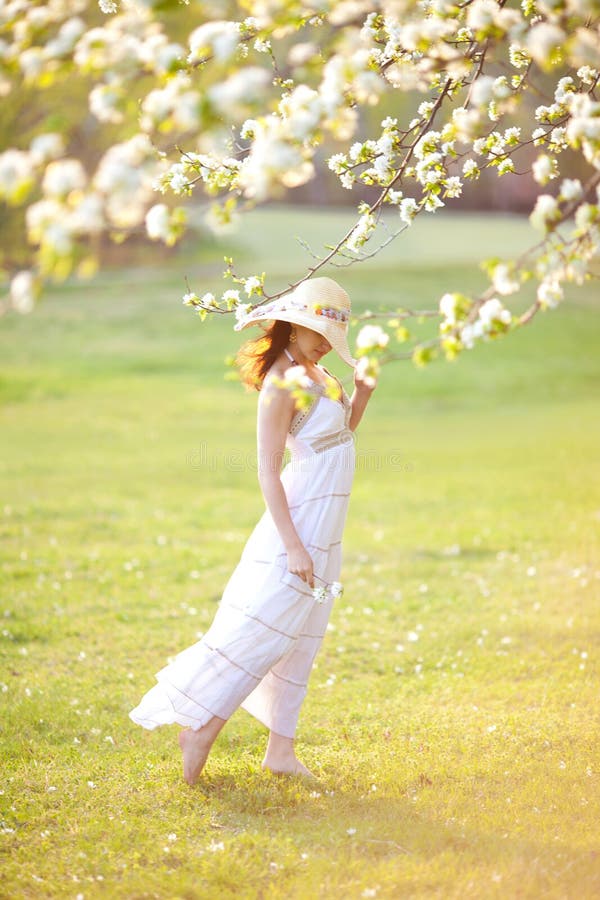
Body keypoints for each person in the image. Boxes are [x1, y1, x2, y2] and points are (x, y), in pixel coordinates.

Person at [129, 276, 377, 784]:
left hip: (327, 525)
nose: (326, 343)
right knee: (260, 631)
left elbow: (337, 438)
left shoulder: (318, 372)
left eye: (332, 337)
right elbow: (267, 468)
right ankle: (201, 726)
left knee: (303, 636)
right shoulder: (282, 381)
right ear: (295, 323)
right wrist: (294, 548)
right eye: (318, 332)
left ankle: (280, 751)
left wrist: (363, 394)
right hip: (299, 525)